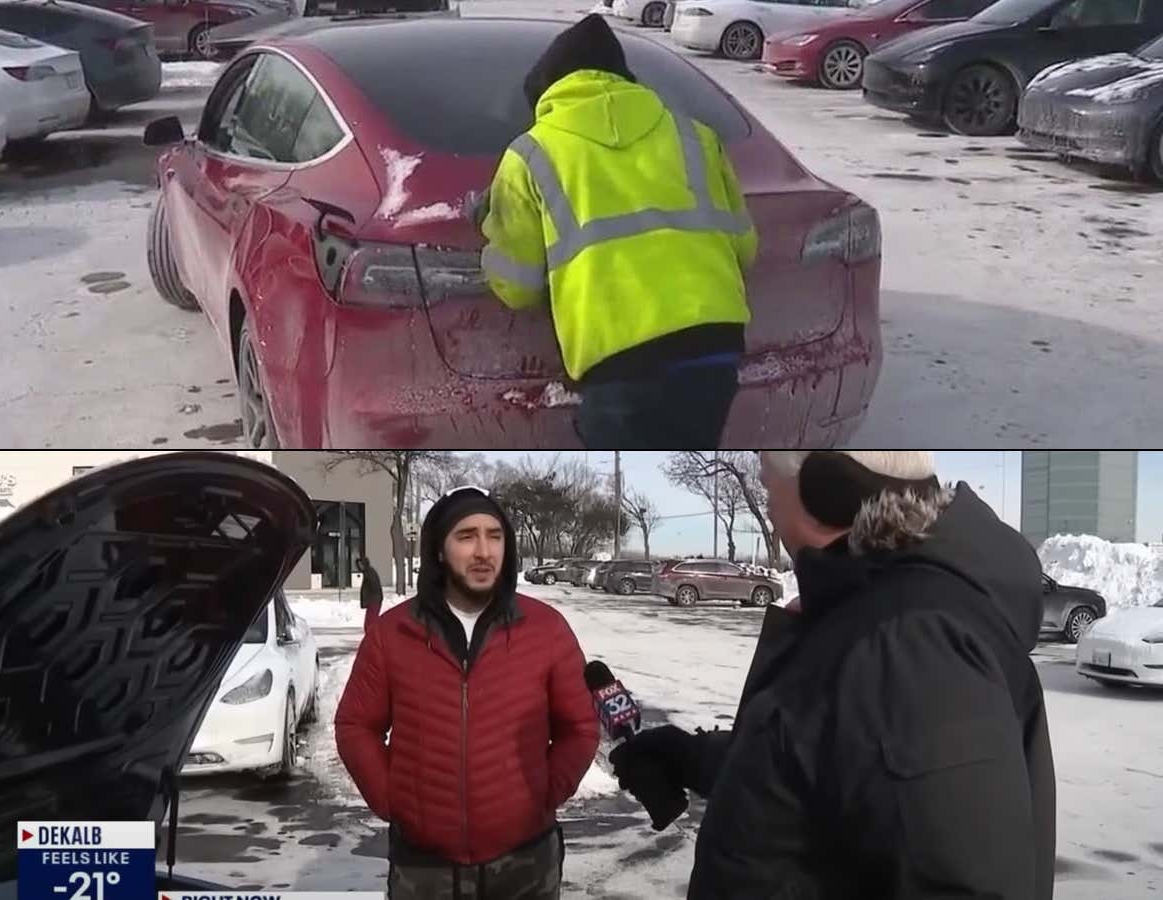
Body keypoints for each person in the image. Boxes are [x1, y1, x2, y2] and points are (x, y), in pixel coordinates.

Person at [610, 451, 1057, 900]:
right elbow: (837, 765)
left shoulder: (903, 644)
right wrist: (694, 758)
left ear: (827, 490)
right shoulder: (877, 616)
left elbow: (962, 882)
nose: (767, 507)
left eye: (768, 488)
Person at [472, 14, 757, 449]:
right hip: (713, 347)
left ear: (548, 95)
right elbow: (744, 247)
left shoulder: (529, 154)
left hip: (619, 361)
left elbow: (518, 287)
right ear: (625, 79)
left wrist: (489, 228)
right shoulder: (694, 135)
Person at [335, 487, 600, 900]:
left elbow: (580, 727)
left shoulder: (546, 629)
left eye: (495, 536)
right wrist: (393, 801)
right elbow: (356, 725)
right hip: (424, 868)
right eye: (466, 536)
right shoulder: (393, 633)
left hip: (525, 863)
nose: (484, 551)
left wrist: (543, 795)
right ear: (439, 550)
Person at [357, 555, 383, 632]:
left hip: (374, 601)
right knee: (369, 623)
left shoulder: (369, 573)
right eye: (358, 565)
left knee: (370, 623)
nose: (359, 566)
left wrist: (370, 598)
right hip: (373, 600)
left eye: (361, 564)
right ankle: (371, 637)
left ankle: (373, 638)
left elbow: (374, 586)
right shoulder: (368, 572)